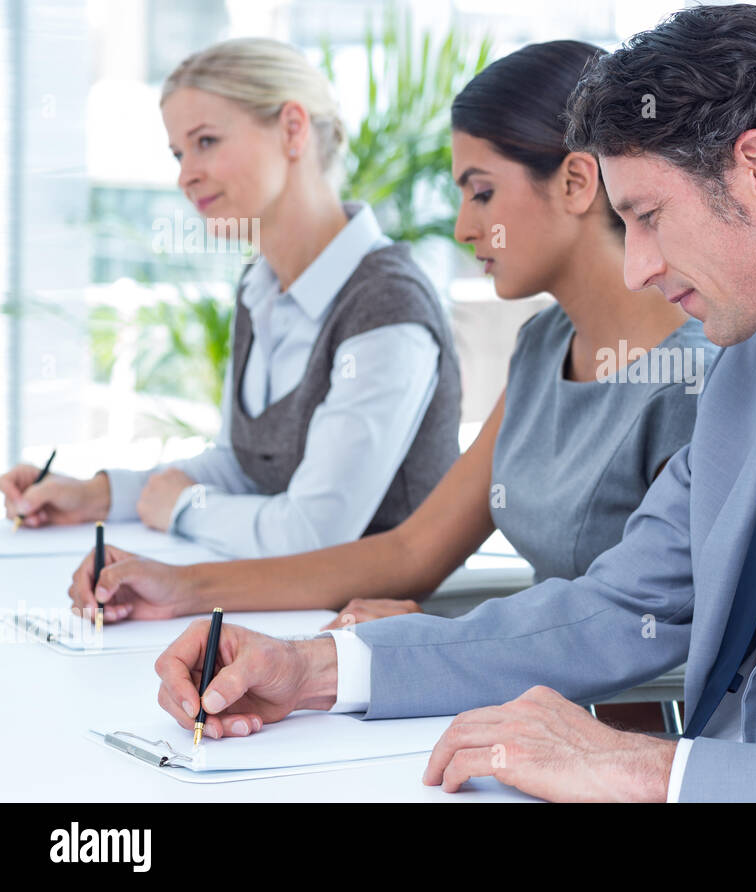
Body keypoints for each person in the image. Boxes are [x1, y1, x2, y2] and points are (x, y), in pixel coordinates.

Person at [153, 5, 756, 802]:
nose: (640, 266)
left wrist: (647, 769)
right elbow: (622, 609)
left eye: (649, 217)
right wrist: (320, 670)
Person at [68, 42, 716, 638]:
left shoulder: (691, 382)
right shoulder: (545, 346)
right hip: (531, 705)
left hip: (598, 729)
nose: (463, 228)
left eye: (482, 193)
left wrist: (421, 642)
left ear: (576, 183)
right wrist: (181, 588)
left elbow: (634, 626)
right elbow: (412, 551)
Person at [1, 38, 462, 559]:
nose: (185, 175)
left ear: (293, 129)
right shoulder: (258, 289)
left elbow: (314, 534)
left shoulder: (386, 305)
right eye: (179, 153)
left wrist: (183, 507)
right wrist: (96, 496)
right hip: (277, 613)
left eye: (206, 142)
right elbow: (242, 466)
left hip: (364, 626)